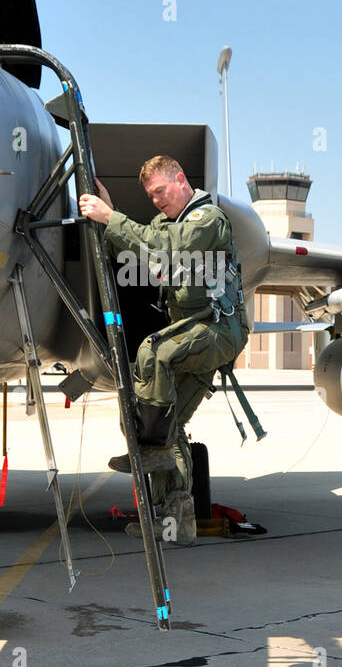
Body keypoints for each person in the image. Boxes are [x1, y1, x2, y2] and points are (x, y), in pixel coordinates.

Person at [79, 156, 249, 544]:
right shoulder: (165, 224)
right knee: (162, 428)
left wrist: (110, 217)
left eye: (160, 190)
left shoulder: (207, 220)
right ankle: (177, 522)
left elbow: (171, 251)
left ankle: (150, 449)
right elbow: (140, 245)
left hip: (217, 329)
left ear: (181, 179)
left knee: (152, 353)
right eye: (150, 195)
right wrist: (110, 213)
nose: (156, 200)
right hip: (191, 331)